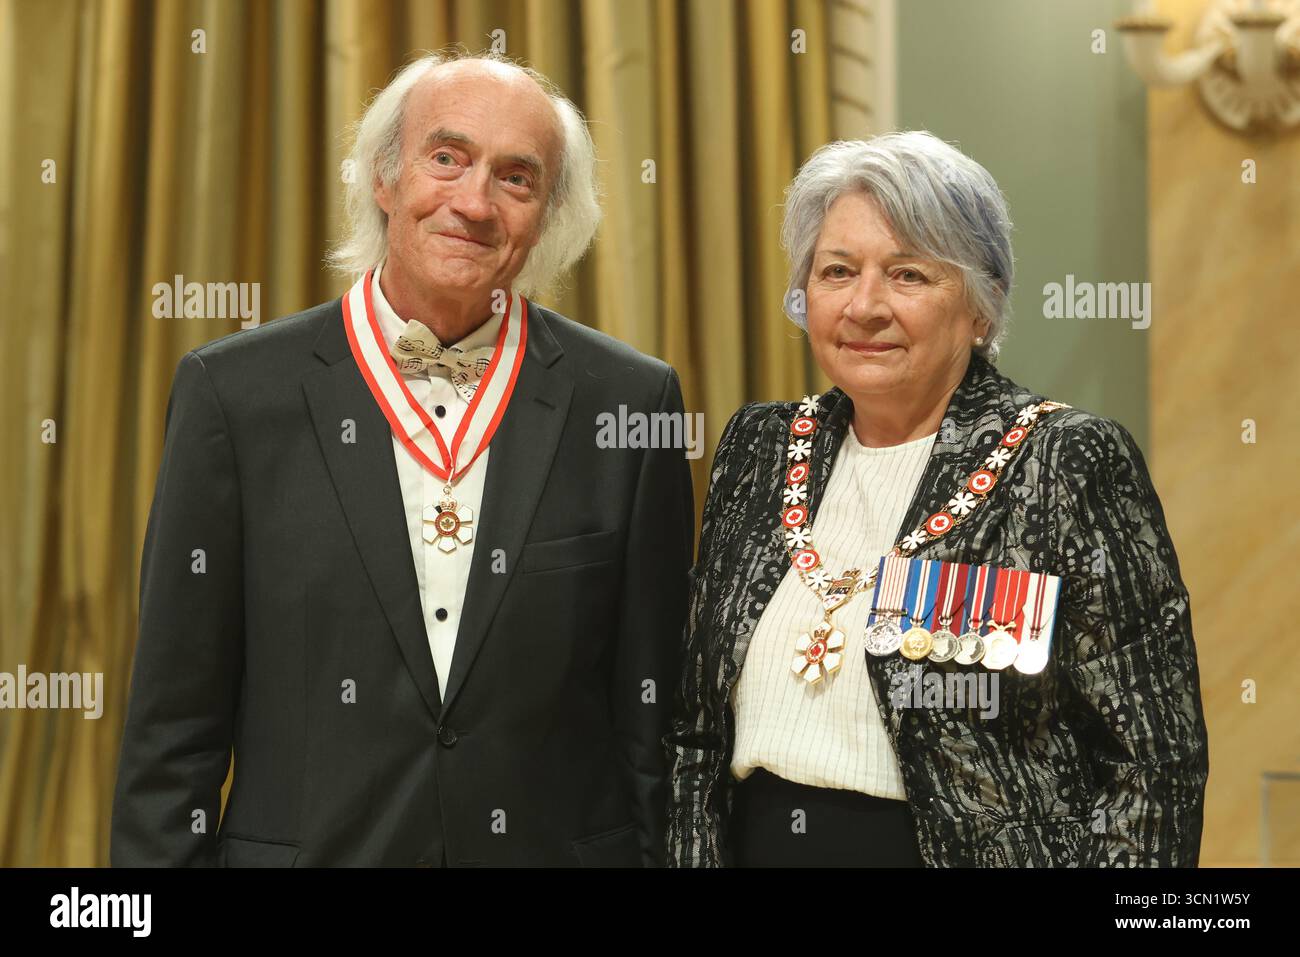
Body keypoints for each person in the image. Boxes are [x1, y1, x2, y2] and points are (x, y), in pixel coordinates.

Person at [112, 52, 694, 867]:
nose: (475, 202)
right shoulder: (233, 395)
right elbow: (172, 732)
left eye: (517, 178)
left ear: (549, 216)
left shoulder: (630, 403)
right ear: (384, 180)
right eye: (447, 157)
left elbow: (653, 725)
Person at [665, 131, 1208, 867]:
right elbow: (696, 734)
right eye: (836, 271)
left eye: (909, 275)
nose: (865, 305)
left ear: (980, 307)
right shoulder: (761, 446)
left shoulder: (1063, 460)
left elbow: (1152, 763)